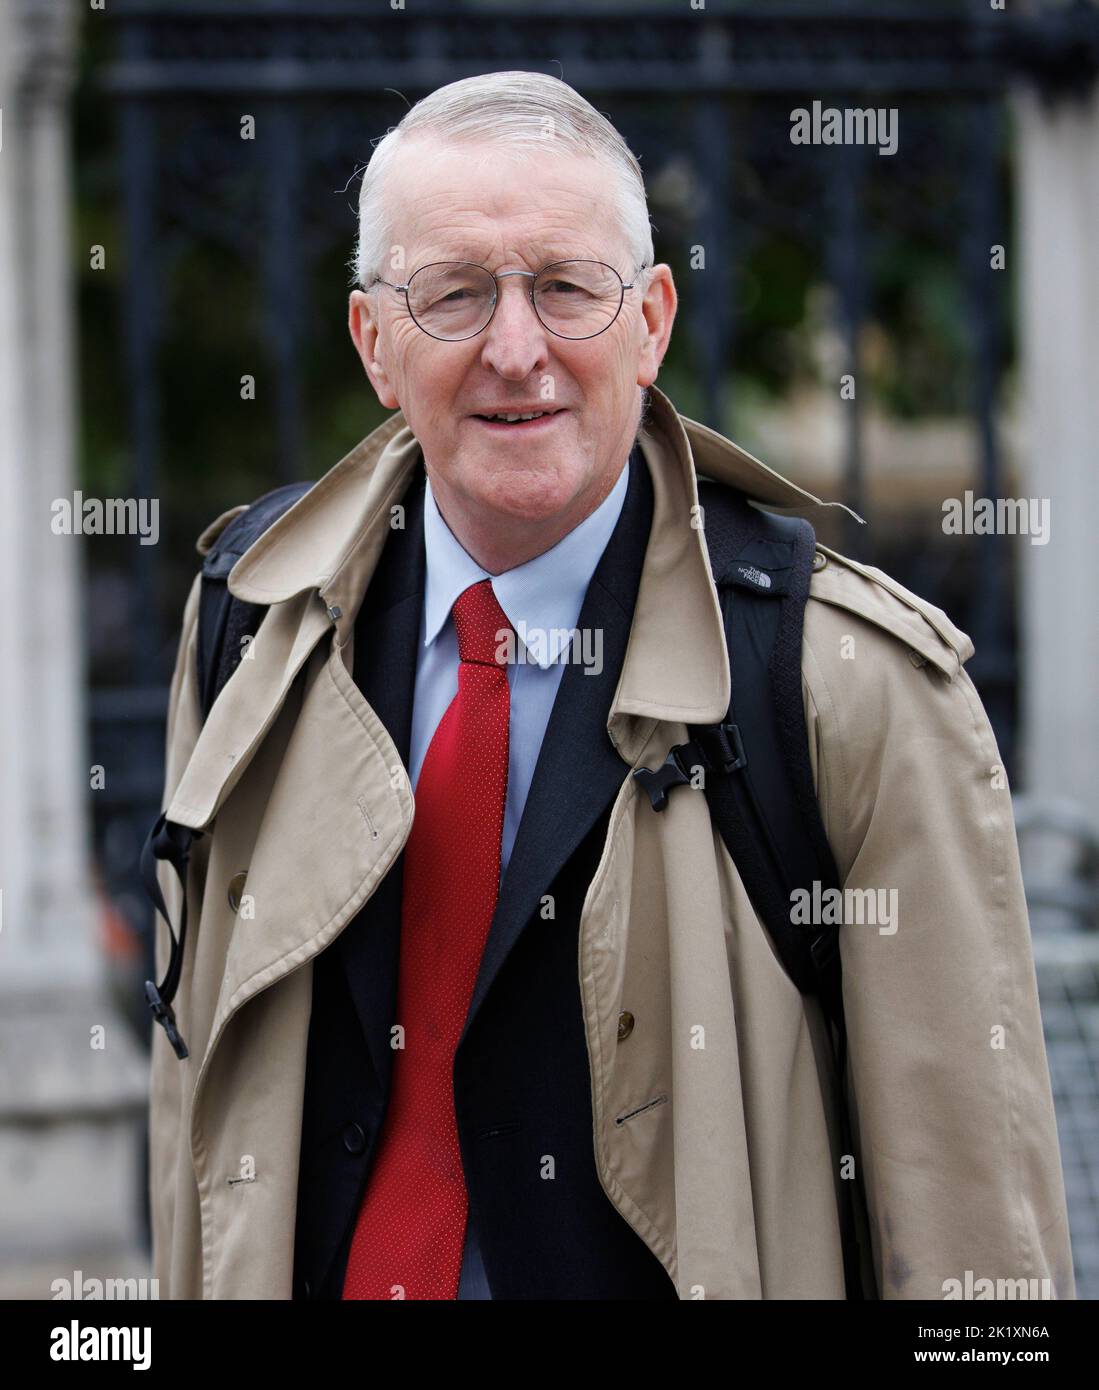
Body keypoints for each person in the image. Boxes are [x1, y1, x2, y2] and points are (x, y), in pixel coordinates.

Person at [147, 70, 1074, 1300]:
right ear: (374, 342)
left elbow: (974, 1239)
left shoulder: (849, 684)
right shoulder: (247, 625)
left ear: (651, 322)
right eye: (456, 293)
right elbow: (196, 1124)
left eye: (568, 288)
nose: (516, 349)